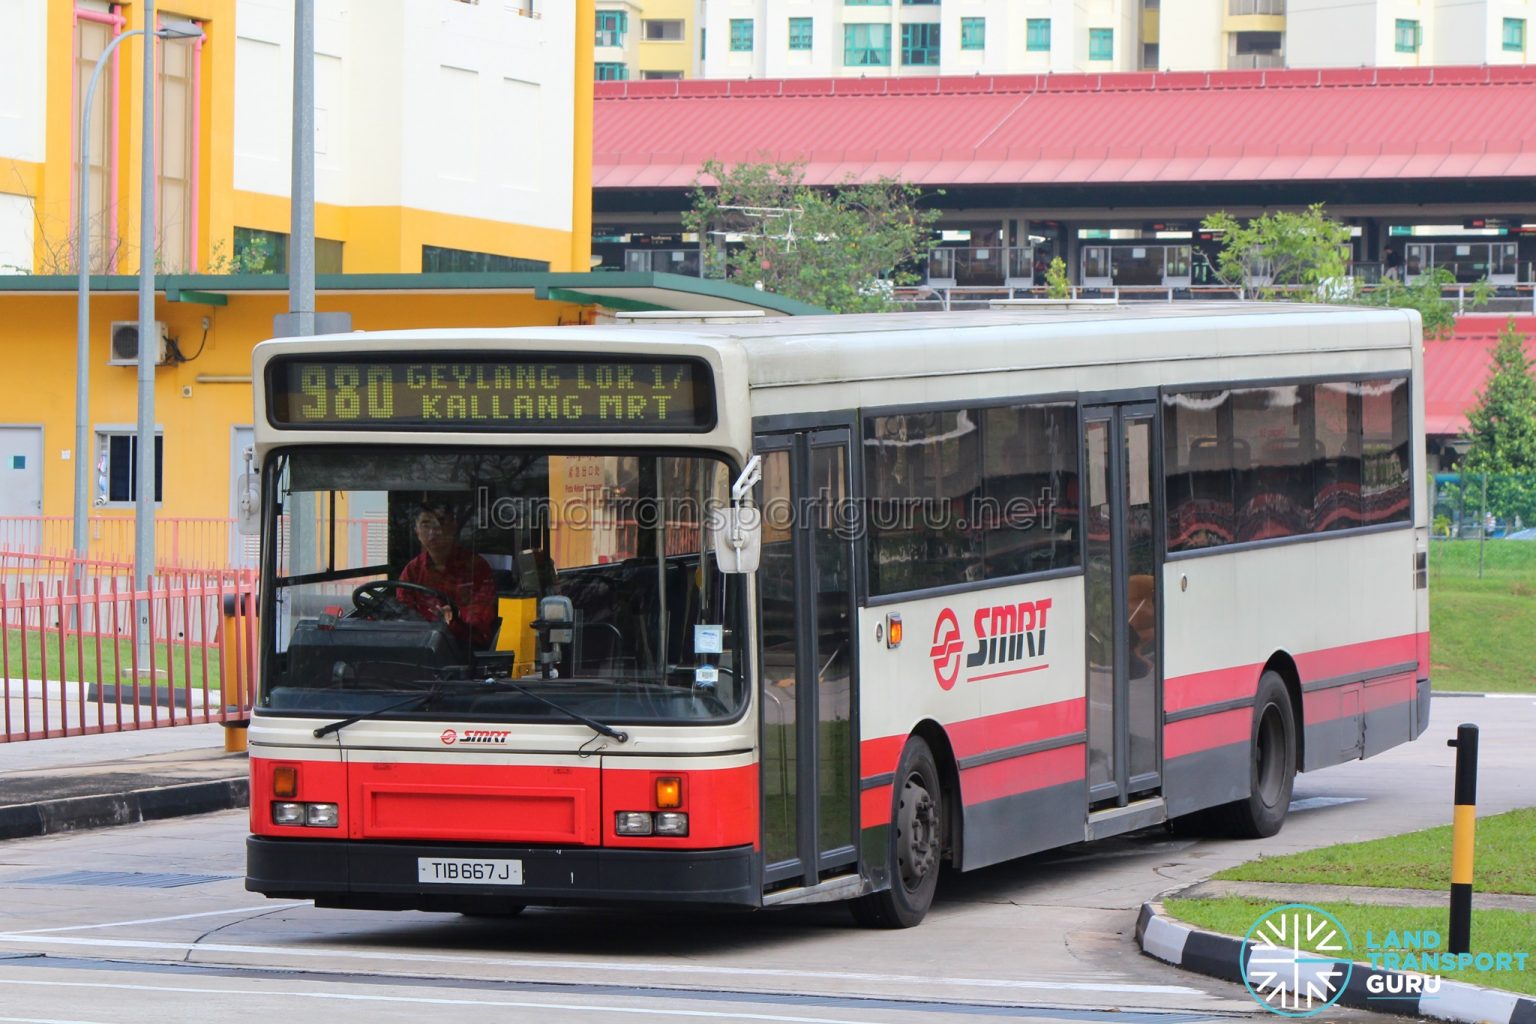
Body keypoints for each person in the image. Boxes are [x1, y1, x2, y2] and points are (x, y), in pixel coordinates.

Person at [398, 503, 499, 648]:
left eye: (440, 522)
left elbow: (483, 612)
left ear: (453, 527)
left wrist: (456, 613)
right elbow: (402, 610)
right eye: (426, 525)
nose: (433, 532)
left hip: (465, 647)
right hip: (421, 645)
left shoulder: (476, 566)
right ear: (417, 532)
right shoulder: (412, 570)